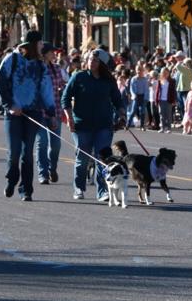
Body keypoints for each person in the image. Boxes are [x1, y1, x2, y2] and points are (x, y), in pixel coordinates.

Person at [0, 30, 57, 202]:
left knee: (27, 153)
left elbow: (46, 90)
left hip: (33, 112)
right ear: (32, 44)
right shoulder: (12, 60)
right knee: (14, 151)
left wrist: (51, 114)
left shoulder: (41, 66)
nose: (42, 47)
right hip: (14, 113)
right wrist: (9, 105)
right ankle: (12, 178)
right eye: (39, 44)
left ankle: (26, 190)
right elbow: (1, 84)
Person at [61, 48, 125, 201]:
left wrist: (122, 114)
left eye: (95, 60)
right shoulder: (78, 77)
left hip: (104, 125)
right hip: (81, 125)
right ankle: (78, 188)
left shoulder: (108, 80)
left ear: (102, 63)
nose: (91, 62)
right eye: (89, 59)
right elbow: (65, 98)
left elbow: (117, 100)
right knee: (83, 157)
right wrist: (69, 118)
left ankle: (102, 191)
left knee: (102, 158)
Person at [35, 43, 67, 185]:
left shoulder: (56, 68)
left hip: (55, 110)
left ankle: (52, 168)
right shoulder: (37, 68)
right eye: (52, 52)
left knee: (55, 145)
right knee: (42, 142)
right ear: (45, 54)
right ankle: (43, 173)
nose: (54, 54)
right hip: (40, 111)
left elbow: (61, 87)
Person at [128, 63, 149, 130]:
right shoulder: (134, 79)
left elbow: (146, 89)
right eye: (138, 70)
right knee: (133, 111)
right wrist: (134, 95)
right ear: (136, 71)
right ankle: (127, 125)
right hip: (136, 96)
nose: (139, 71)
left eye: (140, 70)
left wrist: (146, 98)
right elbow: (131, 88)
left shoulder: (145, 79)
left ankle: (142, 126)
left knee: (142, 111)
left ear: (143, 71)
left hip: (142, 96)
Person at [155, 67, 176, 133]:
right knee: (161, 114)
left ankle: (169, 128)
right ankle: (162, 127)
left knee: (168, 114)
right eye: (163, 73)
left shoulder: (172, 81)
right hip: (161, 100)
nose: (164, 74)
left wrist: (173, 100)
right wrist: (156, 100)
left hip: (168, 100)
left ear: (168, 73)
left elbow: (173, 91)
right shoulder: (160, 81)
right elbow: (157, 91)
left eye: (166, 73)